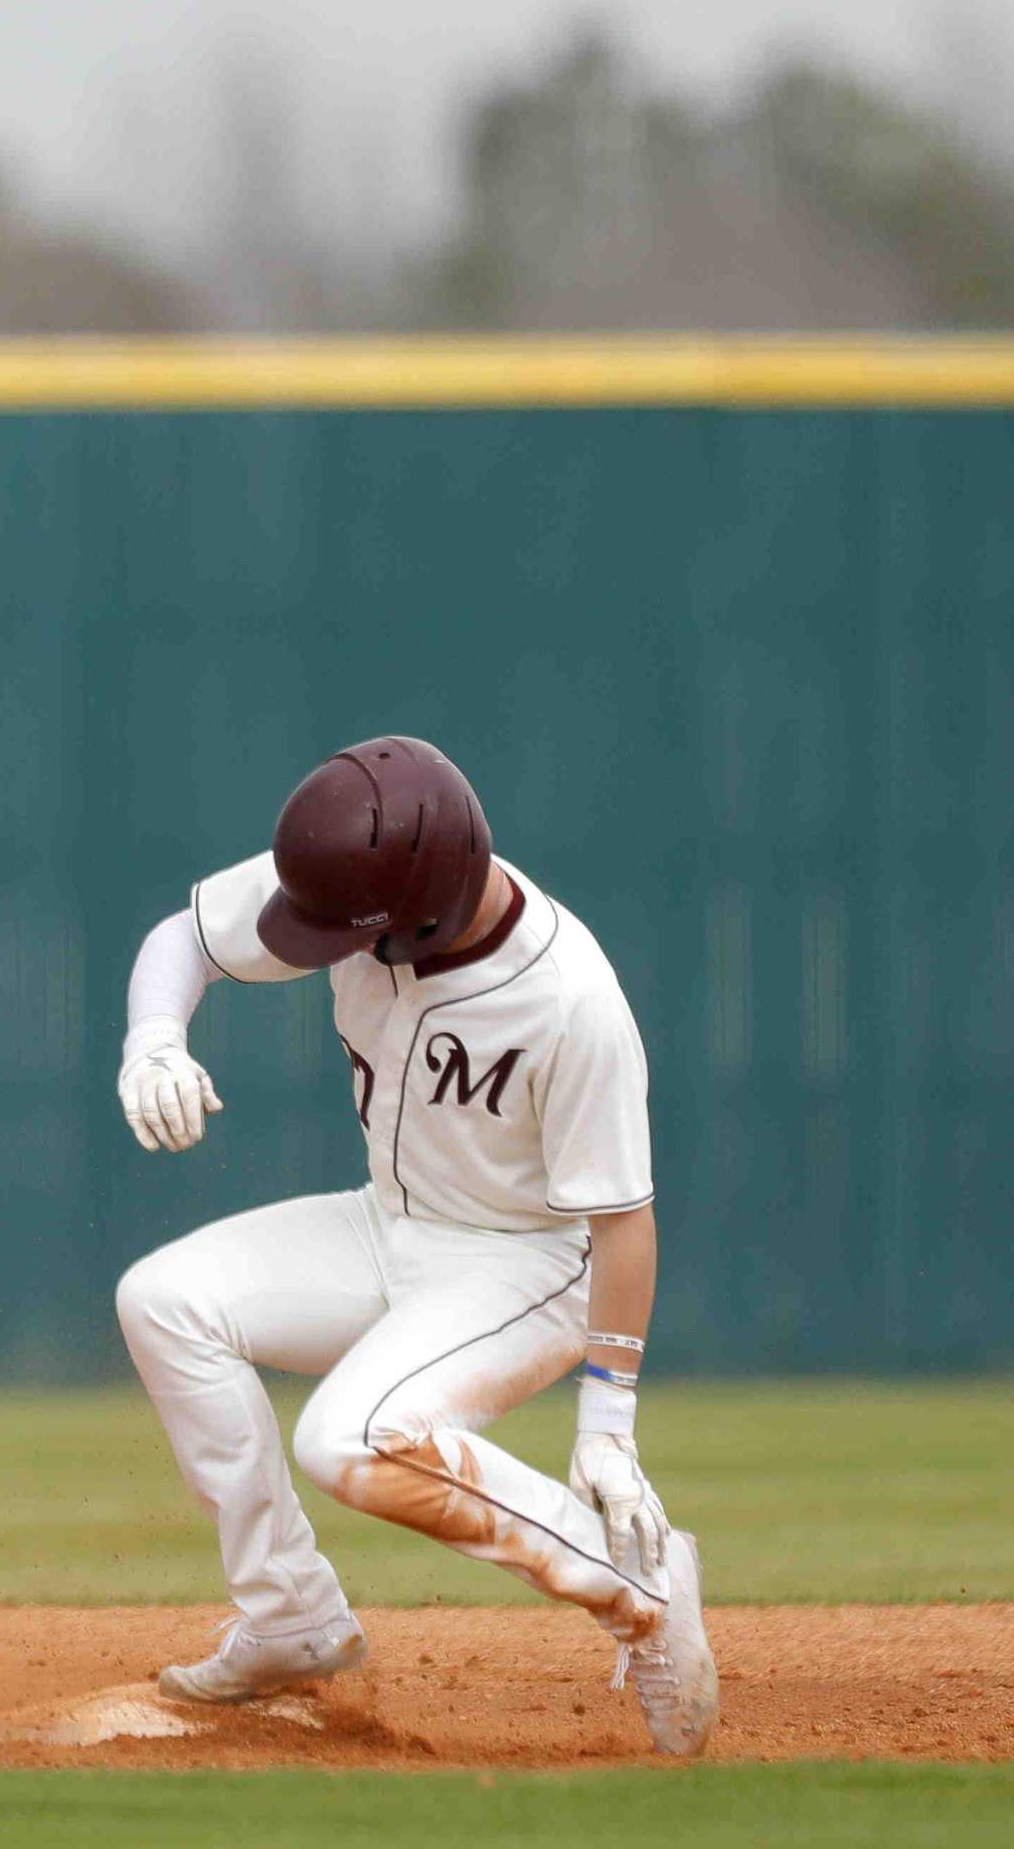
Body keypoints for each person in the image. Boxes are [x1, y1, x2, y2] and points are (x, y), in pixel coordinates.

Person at [111, 736, 718, 1755]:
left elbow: (621, 1222)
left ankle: (637, 1586)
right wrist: (153, 1040)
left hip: (527, 1266)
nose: (318, 945)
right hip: (389, 1222)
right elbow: (185, 938)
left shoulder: (568, 1000)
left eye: (344, 931)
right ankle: (289, 1617)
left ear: (422, 910)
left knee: (345, 1440)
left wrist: (607, 1425)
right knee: (162, 1301)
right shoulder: (362, 872)